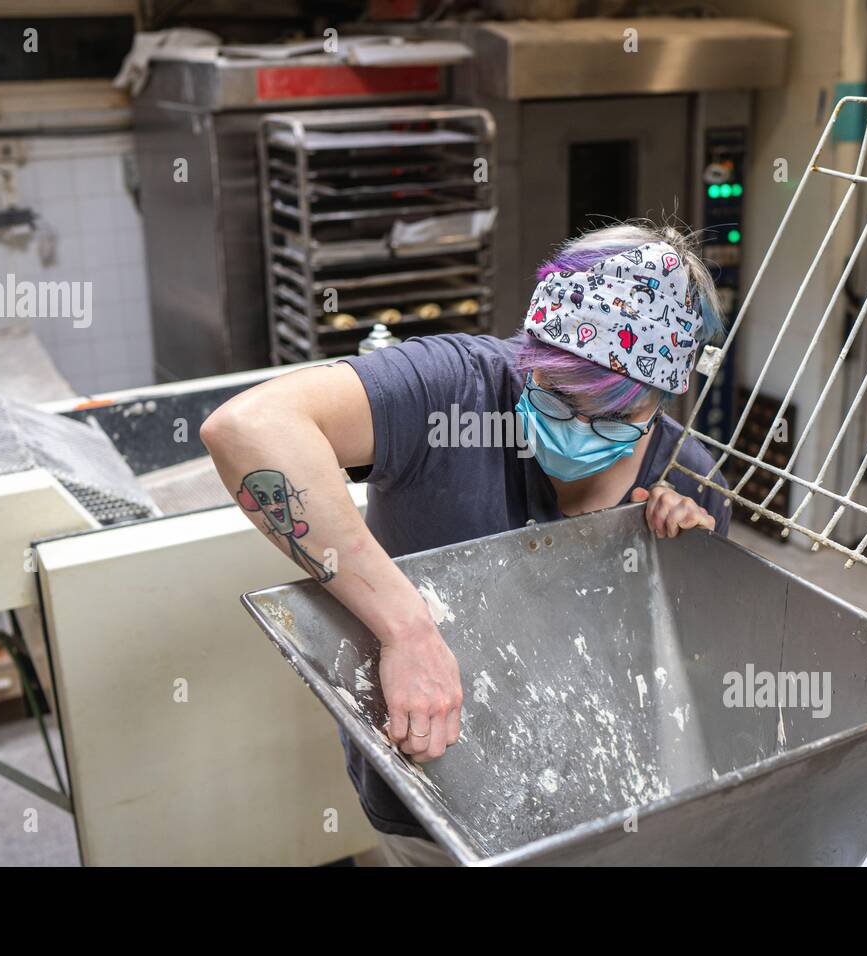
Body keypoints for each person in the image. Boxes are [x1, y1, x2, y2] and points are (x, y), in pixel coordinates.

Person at [202, 221, 731, 866]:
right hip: (431, 793)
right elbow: (250, 428)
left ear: (661, 395)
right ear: (532, 355)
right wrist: (408, 631)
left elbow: (681, 681)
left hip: (593, 805)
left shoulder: (688, 479)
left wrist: (682, 568)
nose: (578, 432)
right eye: (558, 400)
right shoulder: (456, 392)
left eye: (615, 418)